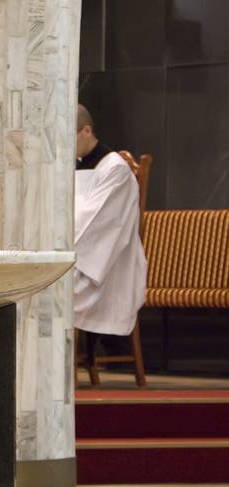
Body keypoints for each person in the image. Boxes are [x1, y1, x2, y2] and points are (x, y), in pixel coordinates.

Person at [74, 104, 147, 338]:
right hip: (75, 258)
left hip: (101, 269)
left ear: (86, 131)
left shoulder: (115, 170)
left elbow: (95, 229)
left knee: (43, 290)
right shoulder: (71, 167)